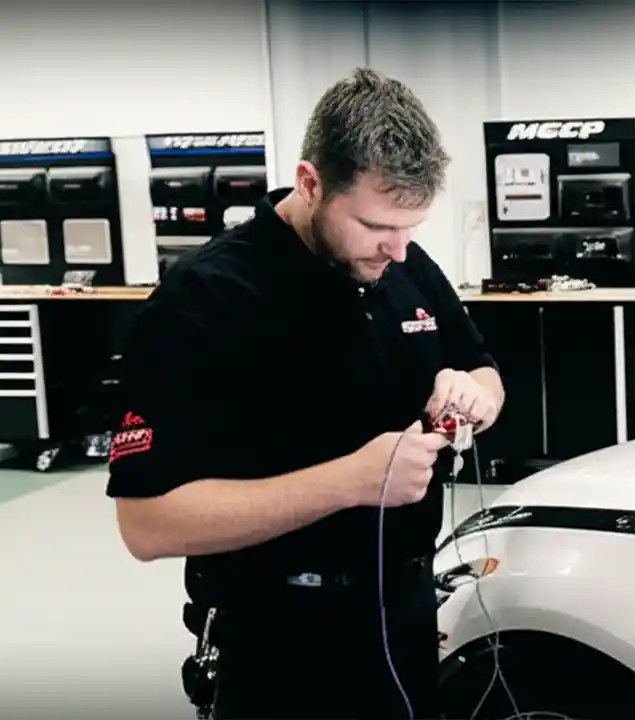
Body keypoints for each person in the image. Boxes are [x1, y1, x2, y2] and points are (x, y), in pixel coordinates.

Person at [105, 67, 504, 719]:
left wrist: (475, 395)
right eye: (377, 225)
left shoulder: (404, 264)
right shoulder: (205, 299)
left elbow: (483, 368)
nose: (399, 250)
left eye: (412, 228)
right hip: (279, 638)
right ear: (311, 183)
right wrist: (352, 481)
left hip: (403, 613)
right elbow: (146, 524)